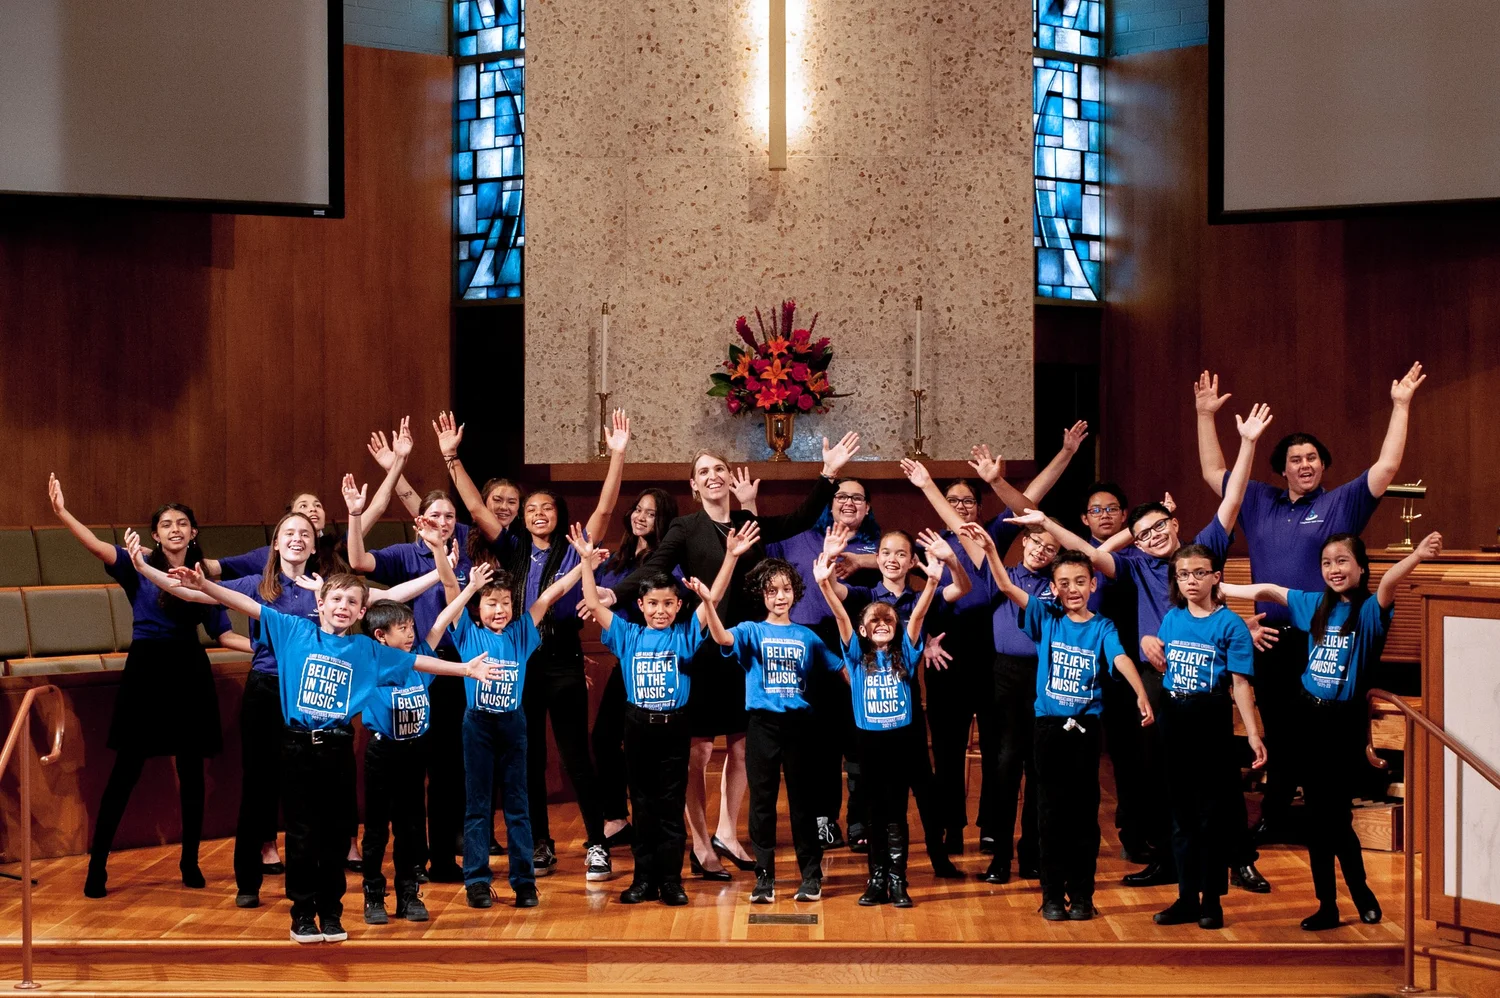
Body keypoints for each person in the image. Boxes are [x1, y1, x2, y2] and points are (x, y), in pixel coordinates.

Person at [1010, 402, 1273, 892]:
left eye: (1160, 528)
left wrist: (1249, 444)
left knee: (1215, 773)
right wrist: (1046, 521)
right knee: (1160, 774)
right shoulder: (1133, 565)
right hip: (1157, 677)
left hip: (1206, 675)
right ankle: (1168, 861)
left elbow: (1232, 501)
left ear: (1176, 526)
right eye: (1145, 531)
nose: (1153, 537)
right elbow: (1090, 553)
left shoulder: (1201, 553)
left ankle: (1240, 857)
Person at [168, 567, 498, 944]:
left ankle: (332, 913)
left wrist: (464, 669)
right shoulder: (294, 631)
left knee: (338, 835)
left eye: (352, 602)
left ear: (361, 613)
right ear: (320, 604)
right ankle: (303, 915)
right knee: (302, 835)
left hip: (338, 748)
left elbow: (416, 663)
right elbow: (247, 604)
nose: (343, 606)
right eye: (336, 599)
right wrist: (206, 585)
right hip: (297, 746)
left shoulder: (365, 650)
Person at [614, 433, 863, 880]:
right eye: (703, 472)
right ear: (693, 486)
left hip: (748, 652)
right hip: (704, 647)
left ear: (729, 478)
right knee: (699, 749)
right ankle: (702, 841)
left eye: (718, 469)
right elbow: (653, 569)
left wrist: (828, 473)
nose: (713, 476)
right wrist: (613, 595)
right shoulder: (684, 528)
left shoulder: (748, 522)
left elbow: (802, 517)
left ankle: (729, 831)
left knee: (743, 744)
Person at [1193, 364, 1425, 841]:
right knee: (1280, 732)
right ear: (1282, 468)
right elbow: (1215, 472)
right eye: (1296, 458)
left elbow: (1386, 468)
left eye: (1313, 457)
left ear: (1323, 465)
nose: (1305, 464)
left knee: (1323, 734)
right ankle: (1275, 816)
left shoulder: (1342, 503)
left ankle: (1329, 820)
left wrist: (1400, 405)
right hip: (1273, 638)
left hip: (1328, 640)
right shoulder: (1258, 499)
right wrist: (1204, 416)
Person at [1223, 530, 1441, 930]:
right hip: (1308, 717)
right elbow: (1270, 590)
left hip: (1343, 723)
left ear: (1360, 566)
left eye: (1342, 561)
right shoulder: (1316, 605)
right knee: (1316, 820)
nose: (1334, 569)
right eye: (1327, 562)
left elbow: (1390, 582)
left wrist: (1418, 556)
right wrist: (1219, 587)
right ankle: (1328, 905)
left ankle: (1361, 894)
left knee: (1336, 818)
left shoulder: (1372, 611)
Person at [47, 477, 252, 900]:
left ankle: (190, 862)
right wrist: (63, 513)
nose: (175, 529)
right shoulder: (136, 563)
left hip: (189, 671)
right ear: (155, 534)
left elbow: (223, 634)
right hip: (147, 671)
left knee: (192, 773)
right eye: (166, 524)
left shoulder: (201, 577)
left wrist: (272, 647)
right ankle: (98, 865)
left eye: (182, 523)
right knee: (125, 771)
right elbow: (95, 547)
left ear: (193, 533)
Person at [897, 421, 1086, 856]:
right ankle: (948, 826)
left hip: (994, 658)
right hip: (946, 656)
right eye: (954, 500)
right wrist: (924, 640)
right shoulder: (932, 545)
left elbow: (1031, 497)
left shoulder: (994, 538)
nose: (961, 507)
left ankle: (990, 827)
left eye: (968, 500)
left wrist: (1066, 453)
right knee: (946, 748)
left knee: (1002, 752)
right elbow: (913, 598)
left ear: (979, 508)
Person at [570, 521, 755, 905]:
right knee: (644, 805)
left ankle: (671, 881)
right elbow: (592, 599)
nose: (660, 610)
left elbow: (715, 598)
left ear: (678, 606)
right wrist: (587, 562)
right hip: (638, 727)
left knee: (671, 807)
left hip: (676, 728)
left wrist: (731, 558)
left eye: (668, 604)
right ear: (640, 606)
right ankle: (643, 879)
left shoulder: (686, 633)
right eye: (652, 604)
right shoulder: (628, 634)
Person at [983, 536, 1154, 922]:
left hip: (1085, 730)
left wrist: (1140, 691)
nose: (1072, 589)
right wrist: (994, 552)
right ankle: (1052, 896)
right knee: (1049, 814)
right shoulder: (1047, 618)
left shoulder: (1104, 626)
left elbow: (1121, 657)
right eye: (1064, 583)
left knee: (1082, 816)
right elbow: (1009, 587)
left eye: (1080, 581)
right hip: (1047, 728)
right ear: (1054, 588)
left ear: (1093, 584)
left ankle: (1081, 895)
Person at [426, 550, 597, 910]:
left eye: (505, 602)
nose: (499, 609)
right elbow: (446, 584)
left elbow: (551, 594)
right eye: (491, 603)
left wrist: (584, 564)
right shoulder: (468, 634)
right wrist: (447, 559)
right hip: (478, 726)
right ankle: (476, 881)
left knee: (518, 806)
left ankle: (524, 883)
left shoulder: (521, 633)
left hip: (512, 725)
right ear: (478, 606)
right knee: (477, 806)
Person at [509, 410, 631, 881]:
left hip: (563, 662)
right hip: (522, 664)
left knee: (576, 755)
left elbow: (603, 509)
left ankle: (597, 842)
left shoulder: (577, 545)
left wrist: (616, 455)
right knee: (529, 759)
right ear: (523, 517)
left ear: (559, 515)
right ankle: (541, 843)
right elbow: (479, 513)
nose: (539, 514)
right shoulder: (513, 551)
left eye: (547, 508)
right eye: (531, 509)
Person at [813, 528, 948, 907]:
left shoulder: (907, 651)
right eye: (874, 620)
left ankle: (898, 878)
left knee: (897, 815)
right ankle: (876, 879)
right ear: (862, 631)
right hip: (869, 743)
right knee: (874, 812)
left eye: (888, 618)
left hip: (902, 742)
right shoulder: (855, 657)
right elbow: (840, 615)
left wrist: (933, 582)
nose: (882, 622)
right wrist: (825, 585)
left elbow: (918, 613)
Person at [699, 557, 844, 904]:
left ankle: (811, 875)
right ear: (761, 595)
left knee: (802, 804)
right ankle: (765, 878)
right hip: (762, 725)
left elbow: (842, 668)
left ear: (795, 593)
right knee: (762, 804)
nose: (780, 596)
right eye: (772, 590)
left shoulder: (807, 636)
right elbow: (721, 636)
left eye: (786, 589)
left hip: (800, 727)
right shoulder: (751, 630)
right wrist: (709, 603)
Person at [1147, 544, 1267, 930]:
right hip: (1174, 716)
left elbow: (1240, 685)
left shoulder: (1230, 624)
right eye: (1183, 574)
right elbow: (1162, 664)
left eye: (1199, 573)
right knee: (1180, 814)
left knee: (1210, 815)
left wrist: (1253, 734)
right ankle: (1185, 897)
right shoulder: (1172, 618)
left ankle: (1211, 900)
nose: (1191, 581)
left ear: (1216, 577)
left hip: (1209, 716)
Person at [765, 476, 882, 852]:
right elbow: (756, 557)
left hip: (863, 649)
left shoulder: (878, 546)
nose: (848, 502)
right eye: (841, 496)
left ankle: (861, 819)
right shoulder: (799, 537)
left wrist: (861, 559)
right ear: (828, 504)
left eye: (857, 498)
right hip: (808, 646)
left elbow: (911, 561)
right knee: (819, 743)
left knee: (860, 738)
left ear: (867, 508)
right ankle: (823, 820)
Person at [592, 487, 682, 850]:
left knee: (646, 748)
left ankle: (653, 823)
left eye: (651, 513)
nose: (640, 517)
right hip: (624, 659)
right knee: (603, 738)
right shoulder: (619, 558)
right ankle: (616, 817)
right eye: (638, 509)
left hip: (657, 662)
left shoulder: (668, 561)